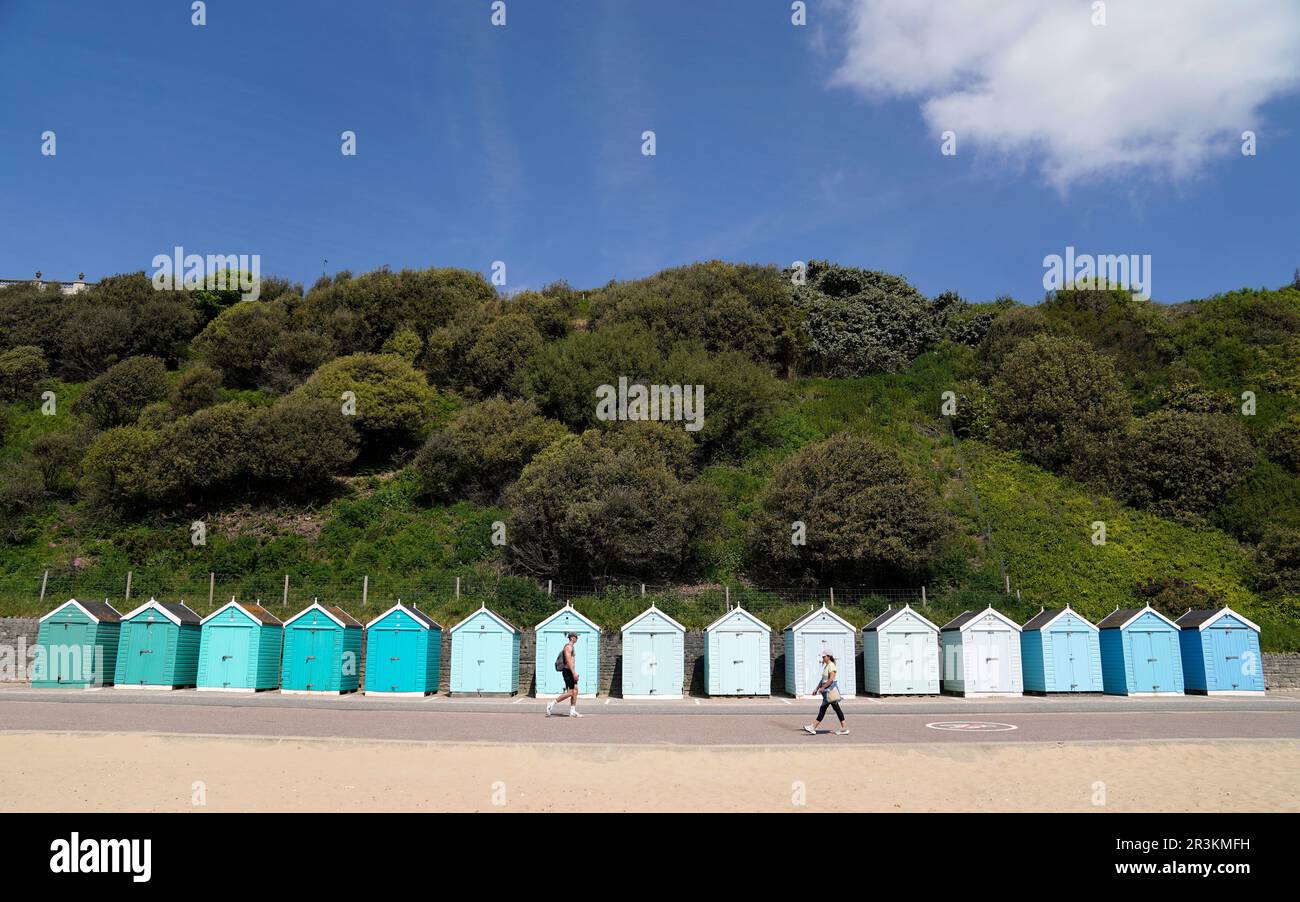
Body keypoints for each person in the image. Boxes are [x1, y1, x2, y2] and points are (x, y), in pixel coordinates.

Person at [803, 652, 849, 735]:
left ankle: (813, 727)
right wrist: (816, 689)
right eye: (823, 657)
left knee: (823, 708)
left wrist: (823, 688)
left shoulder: (831, 666)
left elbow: (831, 680)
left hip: (829, 691)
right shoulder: (827, 666)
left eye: (824, 657)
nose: (823, 658)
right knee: (836, 708)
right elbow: (823, 680)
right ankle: (844, 728)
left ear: (828, 657)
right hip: (826, 691)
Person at [546, 632, 583, 717]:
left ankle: (572, 711)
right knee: (570, 692)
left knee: (575, 691)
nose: (577, 638)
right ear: (572, 638)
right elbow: (569, 661)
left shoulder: (572, 647)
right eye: (576, 637)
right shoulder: (568, 647)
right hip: (567, 671)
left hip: (571, 671)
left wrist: (574, 672)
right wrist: (573, 673)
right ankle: (551, 704)